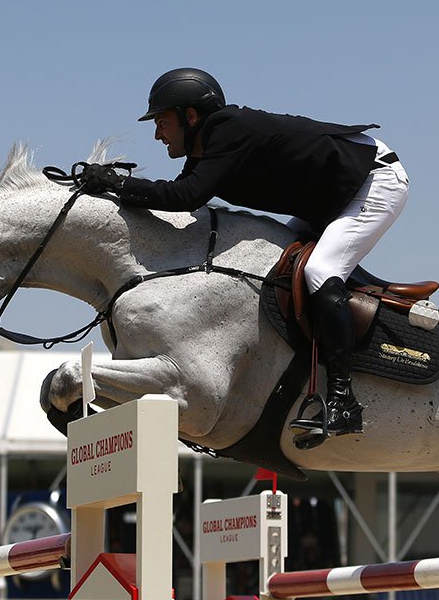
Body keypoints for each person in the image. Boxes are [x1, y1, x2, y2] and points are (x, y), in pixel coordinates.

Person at [78, 68, 409, 446]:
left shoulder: (227, 130)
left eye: (162, 122)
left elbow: (186, 196)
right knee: (282, 265)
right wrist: (115, 190)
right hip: (332, 196)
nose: (157, 134)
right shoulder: (207, 147)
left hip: (372, 180)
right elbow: (179, 197)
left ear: (190, 116)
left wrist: (119, 183)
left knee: (320, 270)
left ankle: (343, 401)